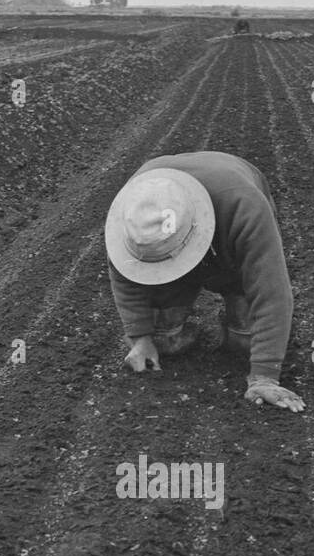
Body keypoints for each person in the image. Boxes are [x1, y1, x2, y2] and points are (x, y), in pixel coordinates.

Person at [105, 151, 303, 411]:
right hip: (169, 223)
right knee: (163, 344)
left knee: (245, 344)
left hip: (228, 230)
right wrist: (140, 338)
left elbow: (272, 293)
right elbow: (124, 277)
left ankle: (233, 306)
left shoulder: (245, 207)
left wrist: (264, 377)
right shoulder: (133, 213)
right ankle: (176, 309)